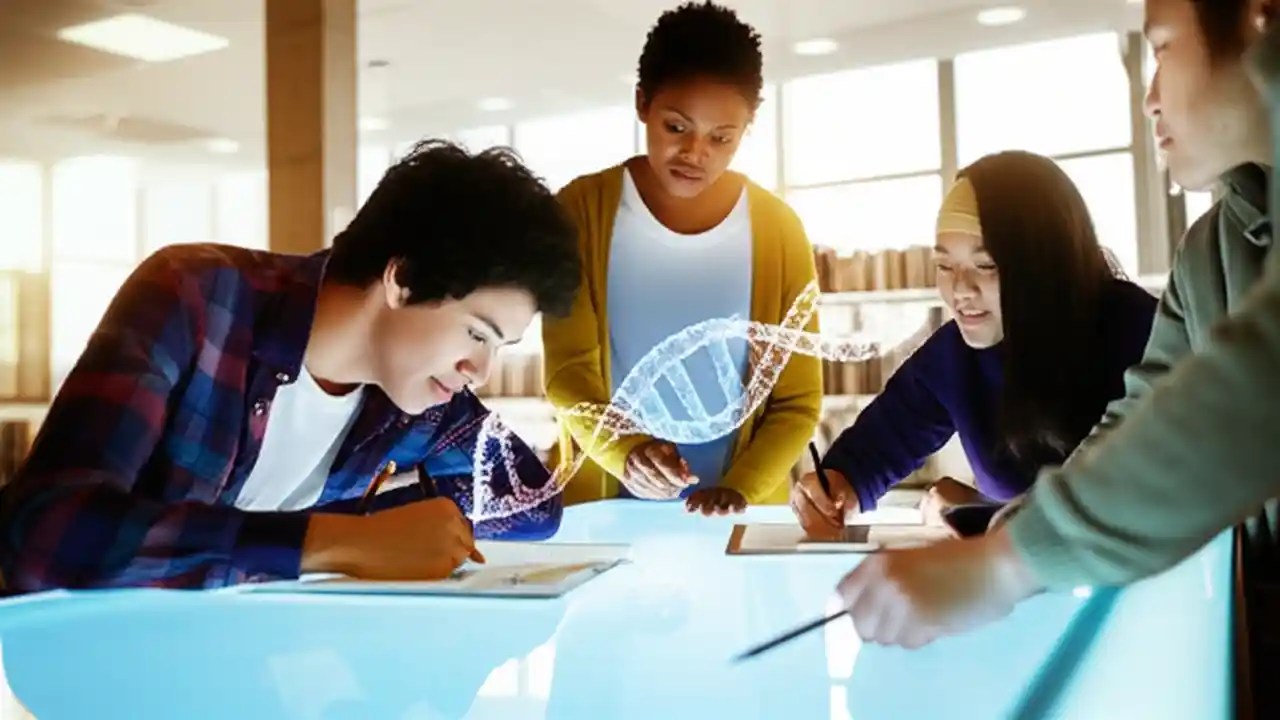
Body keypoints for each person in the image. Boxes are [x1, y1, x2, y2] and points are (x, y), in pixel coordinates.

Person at [833, 0, 1280, 650]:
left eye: (1161, 49)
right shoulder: (1210, 247)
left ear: (1260, 19)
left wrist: (1000, 562)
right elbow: (1136, 427)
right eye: (946, 266)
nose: (1150, 100)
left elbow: (1243, 402)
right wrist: (1002, 543)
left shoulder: (1128, 315)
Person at [0, 140, 581, 592]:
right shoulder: (197, 299)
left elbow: (530, 504)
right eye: (478, 333)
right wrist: (335, 539)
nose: (479, 370)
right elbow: (42, 535)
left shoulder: (414, 399)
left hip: (237, 661)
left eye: (499, 347)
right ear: (401, 280)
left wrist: (385, 522)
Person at [542, 1, 822, 515]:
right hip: (605, 510)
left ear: (748, 127)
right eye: (677, 128)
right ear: (642, 102)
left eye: (722, 138)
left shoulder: (780, 231)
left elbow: (797, 401)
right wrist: (625, 453)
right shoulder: (580, 212)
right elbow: (567, 374)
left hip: (741, 518)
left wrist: (740, 488)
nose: (697, 154)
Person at [792, 151, 1157, 539]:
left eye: (986, 266)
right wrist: (836, 483)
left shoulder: (1141, 333)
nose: (960, 290)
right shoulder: (957, 355)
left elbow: (1137, 495)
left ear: (1045, 263)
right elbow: (885, 437)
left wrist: (984, 515)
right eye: (945, 266)